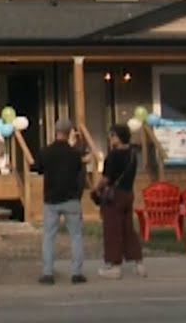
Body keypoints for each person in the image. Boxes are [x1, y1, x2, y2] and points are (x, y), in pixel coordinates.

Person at [31, 119, 86, 284]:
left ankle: (48, 273)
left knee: (49, 236)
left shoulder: (46, 152)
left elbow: (37, 168)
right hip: (71, 198)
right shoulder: (75, 154)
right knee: (76, 236)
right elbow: (79, 172)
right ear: (69, 132)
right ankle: (76, 273)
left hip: (51, 199)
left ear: (55, 131)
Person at [94, 123, 144, 279]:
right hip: (128, 193)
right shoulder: (133, 155)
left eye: (112, 135)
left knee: (113, 230)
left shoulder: (114, 155)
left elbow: (106, 178)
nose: (110, 138)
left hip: (114, 196)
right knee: (128, 229)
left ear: (119, 137)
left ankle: (115, 266)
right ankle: (138, 263)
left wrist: (95, 188)